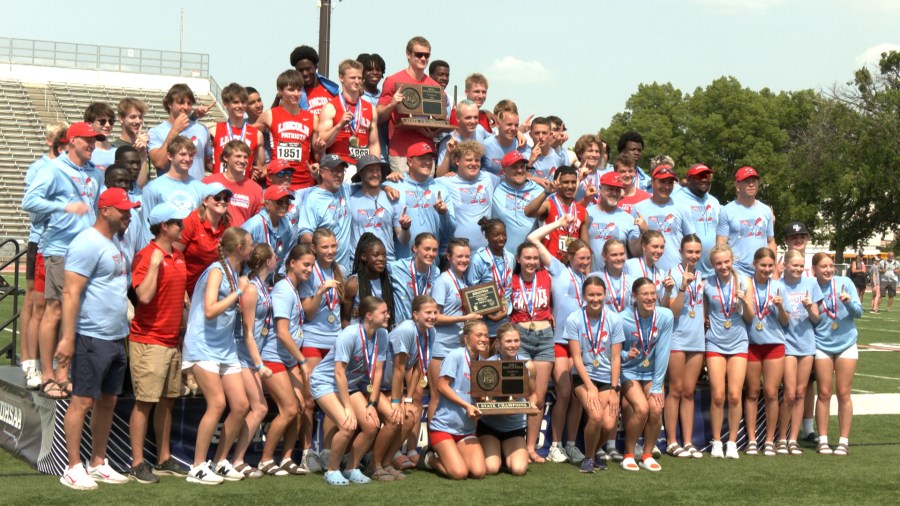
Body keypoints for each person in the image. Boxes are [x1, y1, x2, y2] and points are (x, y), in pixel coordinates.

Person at [55, 188, 138, 490]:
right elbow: (70, 291)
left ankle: (98, 462)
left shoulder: (114, 241)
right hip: (91, 334)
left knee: (108, 400)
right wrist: (66, 338)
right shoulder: (87, 243)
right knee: (83, 400)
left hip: (116, 335)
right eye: (123, 209)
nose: (129, 214)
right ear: (105, 210)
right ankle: (73, 466)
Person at [22, 122, 104, 399]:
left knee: (79, 313)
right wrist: (63, 206)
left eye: (95, 141)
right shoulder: (53, 169)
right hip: (59, 249)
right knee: (55, 310)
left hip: (87, 250)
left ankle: (65, 372)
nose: (92, 145)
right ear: (72, 141)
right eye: (88, 140)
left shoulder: (94, 173)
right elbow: (29, 201)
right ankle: (49, 374)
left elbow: (95, 207)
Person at [181, 227, 252, 485]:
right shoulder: (215, 271)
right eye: (250, 244)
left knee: (242, 405)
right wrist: (239, 293)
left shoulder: (234, 273)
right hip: (203, 345)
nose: (253, 248)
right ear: (240, 248)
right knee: (217, 404)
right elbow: (210, 310)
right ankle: (197, 466)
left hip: (225, 347)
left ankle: (221, 461)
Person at [126, 201, 190, 484]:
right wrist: (153, 267)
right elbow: (145, 297)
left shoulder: (178, 255)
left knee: (167, 402)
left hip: (171, 341)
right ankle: (137, 463)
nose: (183, 227)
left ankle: (163, 458)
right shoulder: (147, 256)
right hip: (149, 341)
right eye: (178, 223)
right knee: (145, 403)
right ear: (164, 226)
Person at [527, 217, 590, 465]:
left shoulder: (590, 279)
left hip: (582, 343)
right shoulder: (558, 269)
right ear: (570, 256)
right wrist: (560, 223)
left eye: (587, 258)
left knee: (577, 395)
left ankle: (571, 445)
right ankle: (554, 445)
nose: (584, 262)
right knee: (564, 393)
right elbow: (532, 239)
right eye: (580, 258)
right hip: (560, 340)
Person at [310, 296, 390, 485]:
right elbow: (338, 373)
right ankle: (332, 471)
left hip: (350, 384)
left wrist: (372, 403)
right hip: (325, 382)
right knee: (347, 426)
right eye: (384, 312)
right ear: (369, 315)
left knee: (371, 426)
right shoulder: (350, 334)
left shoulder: (382, 335)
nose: (388, 315)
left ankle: (351, 468)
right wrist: (347, 407)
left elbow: (377, 372)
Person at [258, 244, 315, 475]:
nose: (309, 269)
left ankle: (287, 458)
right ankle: (265, 459)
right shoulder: (283, 289)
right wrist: (302, 360)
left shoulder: (292, 288)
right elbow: (282, 332)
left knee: (302, 407)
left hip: (287, 359)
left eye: (312, 265)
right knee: (290, 408)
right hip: (273, 356)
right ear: (292, 263)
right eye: (305, 264)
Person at [21, 120, 67, 390]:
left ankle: (49, 362)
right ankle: (29, 363)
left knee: (57, 306)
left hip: (61, 243)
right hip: (40, 240)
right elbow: (34, 210)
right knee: (35, 304)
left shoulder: (72, 169)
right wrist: (63, 206)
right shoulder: (40, 168)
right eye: (59, 140)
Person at [370, 295, 436, 481]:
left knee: (411, 417)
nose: (431, 316)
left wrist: (408, 400)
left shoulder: (431, 332)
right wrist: (398, 402)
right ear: (415, 314)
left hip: (391, 386)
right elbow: (399, 369)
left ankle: (387, 462)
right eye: (427, 312)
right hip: (374, 385)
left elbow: (416, 366)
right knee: (394, 417)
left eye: (434, 312)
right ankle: (374, 465)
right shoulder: (406, 330)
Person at [563, 277, 624, 473]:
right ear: (583, 295)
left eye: (599, 294)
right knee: (596, 416)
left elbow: (616, 358)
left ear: (605, 295)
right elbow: (576, 358)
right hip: (583, 377)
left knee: (608, 424)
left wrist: (614, 389)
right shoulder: (574, 319)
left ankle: (594, 451)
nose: (595, 298)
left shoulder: (614, 319)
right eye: (591, 294)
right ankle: (588, 459)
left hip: (608, 379)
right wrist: (589, 387)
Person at [228, 243, 275, 478]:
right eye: (274, 256)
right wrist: (259, 365)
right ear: (268, 261)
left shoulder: (262, 286)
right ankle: (234, 460)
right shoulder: (252, 289)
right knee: (257, 407)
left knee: (258, 408)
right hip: (243, 354)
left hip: (252, 354)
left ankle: (236, 459)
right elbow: (246, 330)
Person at [617, 277, 674, 472]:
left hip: (652, 372)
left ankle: (647, 454)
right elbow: (614, 352)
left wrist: (658, 385)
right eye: (645, 294)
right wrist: (626, 354)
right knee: (641, 409)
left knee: (656, 409)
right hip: (629, 370)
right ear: (635, 296)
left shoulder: (665, 316)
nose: (650, 298)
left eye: (653, 294)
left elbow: (663, 352)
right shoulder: (622, 318)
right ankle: (629, 454)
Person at [703, 244, 752, 459]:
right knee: (718, 394)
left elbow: (750, 318)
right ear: (712, 264)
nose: (723, 266)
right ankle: (716, 441)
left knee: (734, 395)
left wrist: (743, 302)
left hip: (738, 342)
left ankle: (731, 442)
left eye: (726, 262)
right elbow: (705, 315)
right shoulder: (707, 283)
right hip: (714, 342)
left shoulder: (744, 281)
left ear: (732, 260)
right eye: (718, 263)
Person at [812, 253, 862, 456]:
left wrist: (848, 302)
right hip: (821, 344)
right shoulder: (811, 286)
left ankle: (843, 441)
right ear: (814, 268)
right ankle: (822, 440)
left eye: (831, 266)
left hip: (846, 343)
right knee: (824, 393)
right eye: (823, 266)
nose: (828, 270)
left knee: (844, 393)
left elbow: (859, 312)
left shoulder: (845, 282)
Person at [425, 320, 489, 480]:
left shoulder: (482, 362)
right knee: (459, 473)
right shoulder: (456, 355)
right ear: (467, 338)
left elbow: (478, 394)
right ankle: (429, 459)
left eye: (486, 335)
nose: (484, 339)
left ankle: (454, 456)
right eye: (479, 335)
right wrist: (466, 406)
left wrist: (485, 404)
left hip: (466, 430)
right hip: (443, 428)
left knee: (479, 472)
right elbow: (441, 386)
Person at [509, 241, 554, 463]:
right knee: (523, 392)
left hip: (545, 338)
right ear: (518, 259)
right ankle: (515, 443)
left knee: (539, 396)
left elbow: (538, 237)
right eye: (527, 258)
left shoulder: (546, 275)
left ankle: (530, 447)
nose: (532, 262)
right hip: (521, 338)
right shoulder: (511, 280)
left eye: (535, 258)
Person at [742, 248, 789, 457]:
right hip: (751, 343)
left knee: (771, 393)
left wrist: (780, 308)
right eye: (763, 265)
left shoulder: (778, 287)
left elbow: (785, 321)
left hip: (774, 344)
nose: (767, 269)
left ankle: (769, 440)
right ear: (754, 264)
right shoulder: (745, 284)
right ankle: (752, 439)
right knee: (752, 392)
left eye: (770, 266)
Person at [428, 239, 483, 421]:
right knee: (437, 395)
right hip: (442, 347)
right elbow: (434, 318)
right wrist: (465, 318)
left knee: (461, 393)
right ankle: (434, 444)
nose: (464, 260)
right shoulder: (443, 281)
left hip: (459, 347)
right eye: (459, 256)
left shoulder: (463, 282)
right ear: (449, 257)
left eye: (467, 256)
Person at [662, 235, 705, 459]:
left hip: (697, 340)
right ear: (680, 251)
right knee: (676, 390)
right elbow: (672, 312)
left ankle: (688, 442)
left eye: (697, 252)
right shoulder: (673, 273)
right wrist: (681, 288)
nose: (694, 256)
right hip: (677, 339)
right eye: (690, 252)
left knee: (689, 392)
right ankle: (671, 441)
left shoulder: (702, 276)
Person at [776, 249, 822, 456]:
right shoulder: (777, 285)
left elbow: (817, 319)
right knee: (789, 393)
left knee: (801, 393)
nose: (797, 269)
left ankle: (793, 439)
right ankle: (781, 438)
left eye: (801, 266)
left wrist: (810, 307)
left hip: (806, 344)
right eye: (794, 265)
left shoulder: (811, 284)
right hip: (786, 344)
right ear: (784, 265)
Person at [377, 35, 442, 174]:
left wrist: (435, 130)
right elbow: (379, 117)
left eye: (426, 55)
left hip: (426, 152)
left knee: (425, 195)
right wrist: (392, 105)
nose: (423, 59)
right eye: (419, 55)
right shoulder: (392, 80)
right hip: (401, 152)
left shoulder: (435, 86)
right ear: (408, 55)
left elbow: (440, 120)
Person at [479, 323, 535, 476]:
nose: (513, 345)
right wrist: (487, 402)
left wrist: (532, 405)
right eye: (508, 341)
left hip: (515, 428)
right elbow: (481, 397)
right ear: (498, 343)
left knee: (518, 469)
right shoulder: (488, 365)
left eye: (516, 341)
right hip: (490, 427)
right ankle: (497, 455)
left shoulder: (528, 365)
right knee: (491, 468)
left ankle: (504, 454)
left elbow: (533, 394)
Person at [384, 142, 456, 259]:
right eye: (422, 158)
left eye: (430, 158)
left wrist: (444, 214)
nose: (428, 162)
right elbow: (370, 187)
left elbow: (450, 231)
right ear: (410, 161)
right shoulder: (395, 185)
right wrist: (384, 187)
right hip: (404, 264)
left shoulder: (440, 188)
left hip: (431, 263)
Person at [253, 69, 322, 190]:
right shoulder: (270, 115)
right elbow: (249, 135)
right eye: (291, 89)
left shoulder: (313, 118)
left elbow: (317, 154)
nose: (296, 94)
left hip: (304, 184)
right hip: (276, 182)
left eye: (299, 89)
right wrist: (259, 164)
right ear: (280, 90)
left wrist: (321, 154)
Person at [632, 165, 695, 274]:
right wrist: (644, 232)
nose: (666, 187)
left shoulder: (682, 208)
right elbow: (634, 251)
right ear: (652, 182)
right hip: (646, 273)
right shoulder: (638, 209)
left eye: (670, 183)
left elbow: (692, 243)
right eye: (662, 181)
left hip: (675, 272)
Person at [319, 59, 381, 169]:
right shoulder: (331, 107)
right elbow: (322, 143)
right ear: (341, 78)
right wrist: (339, 125)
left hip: (362, 166)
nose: (357, 81)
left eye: (359, 78)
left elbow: (374, 144)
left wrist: (375, 167)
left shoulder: (370, 108)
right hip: (339, 166)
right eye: (352, 78)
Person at [438, 141, 499, 252]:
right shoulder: (446, 182)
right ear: (457, 161)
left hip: (484, 253)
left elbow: (511, 179)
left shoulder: (489, 178)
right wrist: (396, 178)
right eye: (468, 160)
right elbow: (421, 182)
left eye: (477, 160)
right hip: (457, 253)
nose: (474, 163)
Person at [716, 166, 776, 277]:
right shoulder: (726, 211)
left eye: (754, 181)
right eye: (747, 182)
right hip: (737, 271)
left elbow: (770, 241)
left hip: (762, 271)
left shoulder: (766, 210)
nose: (751, 184)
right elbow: (721, 244)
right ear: (737, 186)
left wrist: (774, 269)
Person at [141, 135, 207, 237]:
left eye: (191, 155)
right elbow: (147, 226)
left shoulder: (200, 187)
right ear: (170, 156)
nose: (187, 159)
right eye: (183, 154)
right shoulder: (153, 187)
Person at [348, 155, 409, 262]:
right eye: (371, 171)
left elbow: (403, 239)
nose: (375, 174)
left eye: (377, 170)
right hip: (360, 263)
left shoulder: (392, 198)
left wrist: (405, 228)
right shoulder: (351, 200)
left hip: (386, 262)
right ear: (361, 173)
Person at [297, 154, 353, 270]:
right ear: (322, 172)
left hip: (345, 269)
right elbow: (304, 234)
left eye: (341, 171)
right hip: (323, 269)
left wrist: (387, 187)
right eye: (334, 171)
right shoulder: (313, 199)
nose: (339, 175)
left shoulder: (346, 189)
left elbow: (369, 186)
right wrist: (326, 245)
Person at [176, 182, 233, 295]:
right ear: (205, 201)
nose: (222, 201)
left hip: (211, 289)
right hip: (187, 287)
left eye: (226, 199)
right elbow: (175, 254)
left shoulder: (227, 225)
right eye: (217, 198)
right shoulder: (192, 221)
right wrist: (180, 288)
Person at [148, 83, 213, 180]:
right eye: (181, 103)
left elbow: (208, 163)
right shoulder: (155, 132)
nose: (186, 107)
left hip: (196, 191)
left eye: (189, 103)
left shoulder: (202, 129)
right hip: (170, 192)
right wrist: (175, 130)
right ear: (170, 104)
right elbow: (159, 163)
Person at [580, 171, 641, 271]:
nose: (614, 193)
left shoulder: (628, 219)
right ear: (600, 188)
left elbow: (635, 252)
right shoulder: (587, 214)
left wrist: (643, 232)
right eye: (610, 189)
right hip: (590, 278)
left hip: (618, 279)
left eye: (617, 190)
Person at [491, 151, 548, 255]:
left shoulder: (539, 191)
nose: (520, 170)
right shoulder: (495, 187)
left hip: (530, 257)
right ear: (504, 170)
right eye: (514, 167)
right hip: (503, 257)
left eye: (522, 166)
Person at [467, 218, 514, 337]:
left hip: (505, 321)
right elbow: (472, 292)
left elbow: (508, 288)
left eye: (504, 234)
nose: (501, 238)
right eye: (496, 235)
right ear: (487, 236)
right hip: (484, 323)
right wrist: (489, 315)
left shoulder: (510, 257)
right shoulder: (478, 259)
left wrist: (505, 311)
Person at [672, 164, 720, 278]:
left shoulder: (713, 201)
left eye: (707, 176)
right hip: (686, 272)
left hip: (713, 272)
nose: (704, 179)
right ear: (688, 180)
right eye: (699, 176)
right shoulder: (676, 200)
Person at [209, 83, 264, 179]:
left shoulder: (257, 134)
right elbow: (204, 161)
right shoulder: (214, 130)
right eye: (236, 102)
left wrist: (255, 173)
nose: (240, 106)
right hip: (219, 188)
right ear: (225, 104)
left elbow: (262, 168)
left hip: (242, 188)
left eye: (243, 102)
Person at [203, 140, 263, 226]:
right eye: (238, 156)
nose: (242, 161)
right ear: (226, 157)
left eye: (245, 157)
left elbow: (257, 223)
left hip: (241, 237)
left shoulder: (256, 189)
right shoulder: (208, 182)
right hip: (212, 237)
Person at [342, 233, 397, 327]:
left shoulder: (388, 281)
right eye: (376, 255)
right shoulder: (353, 284)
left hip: (382, 335)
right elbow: (345, 319)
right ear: (364, 257)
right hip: (359, 337)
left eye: (384, 255)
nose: (381, 259)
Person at [533, 166, 586, 262]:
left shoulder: (582, 211)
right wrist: (546, 192)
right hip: (549, 264)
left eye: (573, 182)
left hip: (572, 266)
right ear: (557, 183)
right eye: (565, 182)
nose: (570, 186)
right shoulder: (548, 205)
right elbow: (529, 212)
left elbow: (585, 246)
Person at [242, 185, 295, 276]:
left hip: (268, 281)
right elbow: (237, 254)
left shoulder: (287, 226)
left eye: (287, 202)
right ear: (267, 204)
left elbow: (282, 256)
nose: (284, 205)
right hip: (249, 279)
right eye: (279, 202)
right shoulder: (253, 225)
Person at [389, 232, 439, 324]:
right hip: (401, 329)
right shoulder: (397, 267)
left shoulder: (436, 272)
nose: (431, 254)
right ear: (415, 248)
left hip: (423, 329)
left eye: (434, 250)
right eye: (427, 249)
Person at [436, 100, 489, 176]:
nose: (473, 121)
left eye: (476, 117)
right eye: (468, 118)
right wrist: (448, 153)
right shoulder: (449, 141)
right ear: (458, 118)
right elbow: (439, 176)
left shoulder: (480, 130)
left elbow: (495, 141)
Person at [289, 45, 340, 115]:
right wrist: (278, 98)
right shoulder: (293, 95)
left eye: (308, 69)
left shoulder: (332, 90)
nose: (305, 73)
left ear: (316, 66)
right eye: (300, 70)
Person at [111, 98, 150, 187]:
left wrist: (143, 153)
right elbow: (138, 185)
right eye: (132, 117)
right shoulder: (114, 148)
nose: (138, 121)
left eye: (140, 117)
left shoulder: (145, 146)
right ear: (121, 119)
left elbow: (143, 186)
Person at [624, 230, 667, 301]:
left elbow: (661, 303)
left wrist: (668, 292)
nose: (659, 251)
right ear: (644, 246)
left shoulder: (661, 273)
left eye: (662, 247)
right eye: (655, 246)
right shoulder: (629, 265)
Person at [482, 106, 525, 175]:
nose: (513, 128)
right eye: (509, 124)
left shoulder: (521, 146)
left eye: (516, 125)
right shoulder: (485, 145)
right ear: (498, 124)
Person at [523, 117, 558, 184]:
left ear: (550, 135)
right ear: (531, 135)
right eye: (537, 133)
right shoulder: (524, 156)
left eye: (544, 133)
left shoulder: (557, 157)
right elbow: (519, 181)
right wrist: (530, 163)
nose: (541, 137)